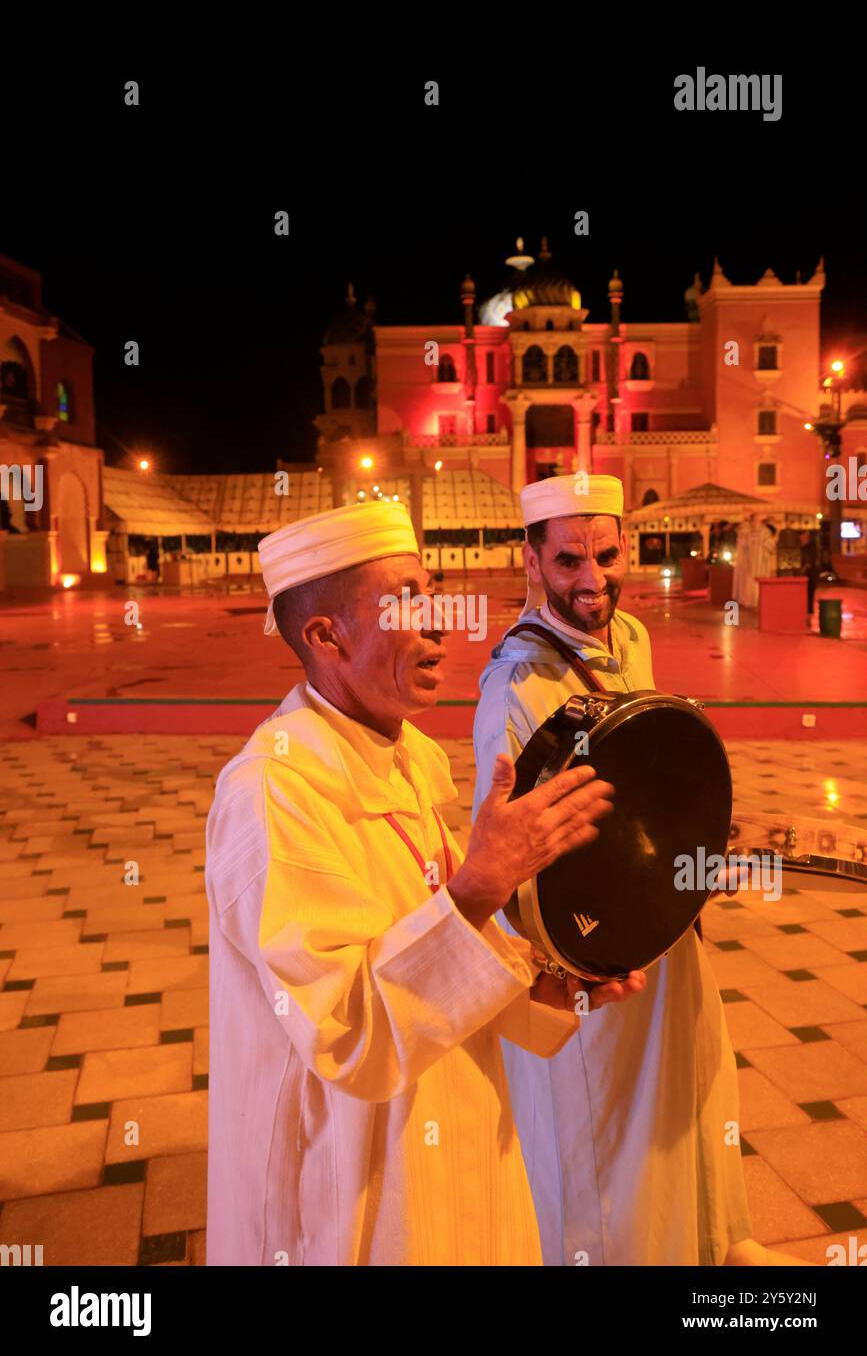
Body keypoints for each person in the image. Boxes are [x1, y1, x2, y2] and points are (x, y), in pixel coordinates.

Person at [205, 499, 643, 1266]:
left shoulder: (406, 755)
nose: (440, 622)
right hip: (350, 1187)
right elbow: (346, 1031)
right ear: (324, 634)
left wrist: (556, 982)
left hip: (456, 1131)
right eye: (406, 601)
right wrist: (479, 885)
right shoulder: (272, 793)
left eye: (431, 593)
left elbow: (445, 957)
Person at [473, 473, 810, 1268]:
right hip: (590, 950)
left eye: (606, 554)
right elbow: (505, 851)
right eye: (566, 563)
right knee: (606, 1135)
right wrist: (559, 967)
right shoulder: (514, 682)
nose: (591, 581)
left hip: (661, 916)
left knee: (688, 1091)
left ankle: (712, 1248)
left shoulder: (630, 638)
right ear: (531, 560)